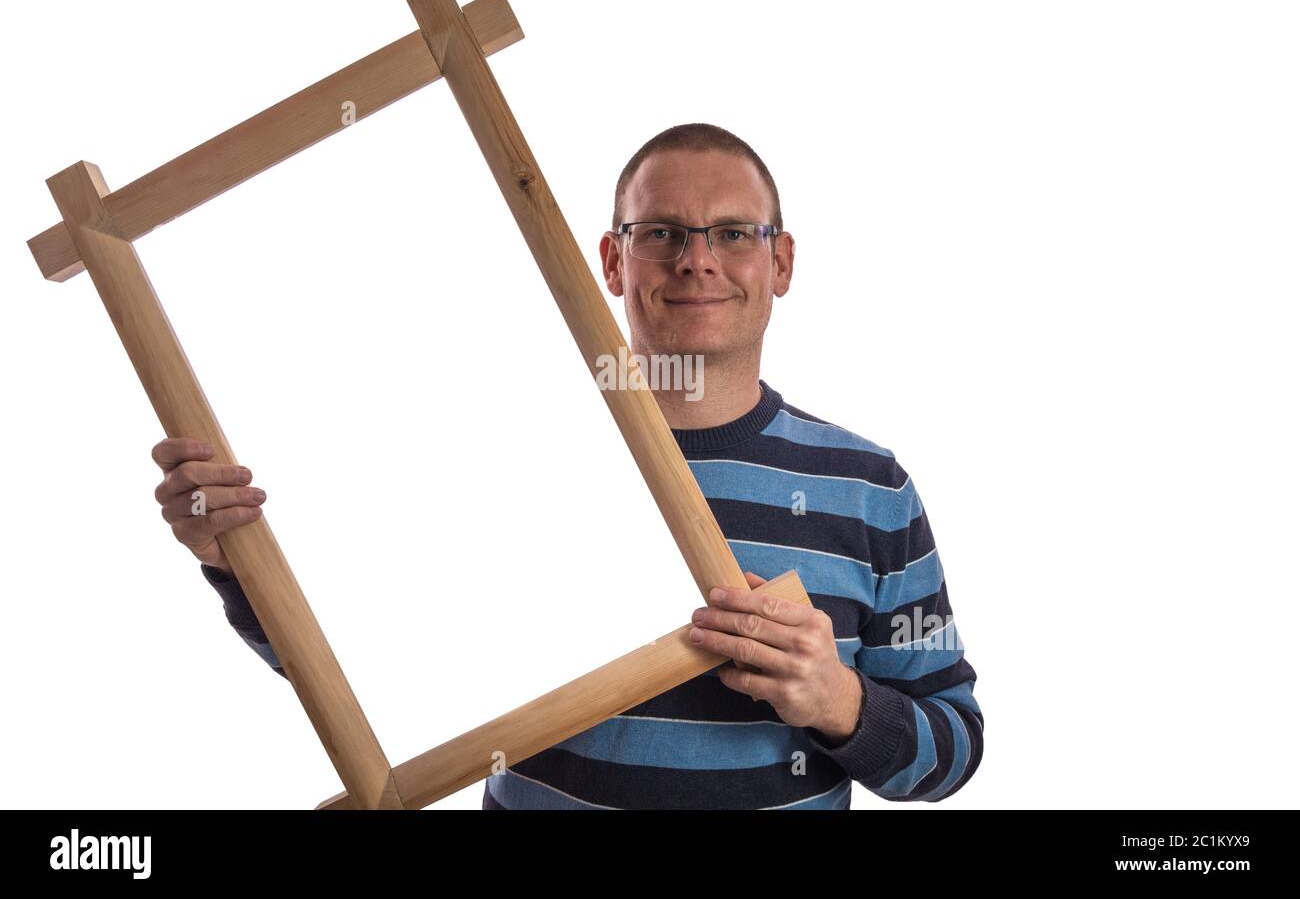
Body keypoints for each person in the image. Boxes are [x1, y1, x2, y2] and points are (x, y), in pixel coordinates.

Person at [151, 123, 983, 809]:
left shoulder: (870, 486)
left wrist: (839, 703)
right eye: (661, 234)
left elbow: (953, 750)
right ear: (614, 261)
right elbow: (361, 678)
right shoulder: (524, 462)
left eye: (734, 233)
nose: (697, 260)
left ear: (783, 262)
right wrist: (235, 561)